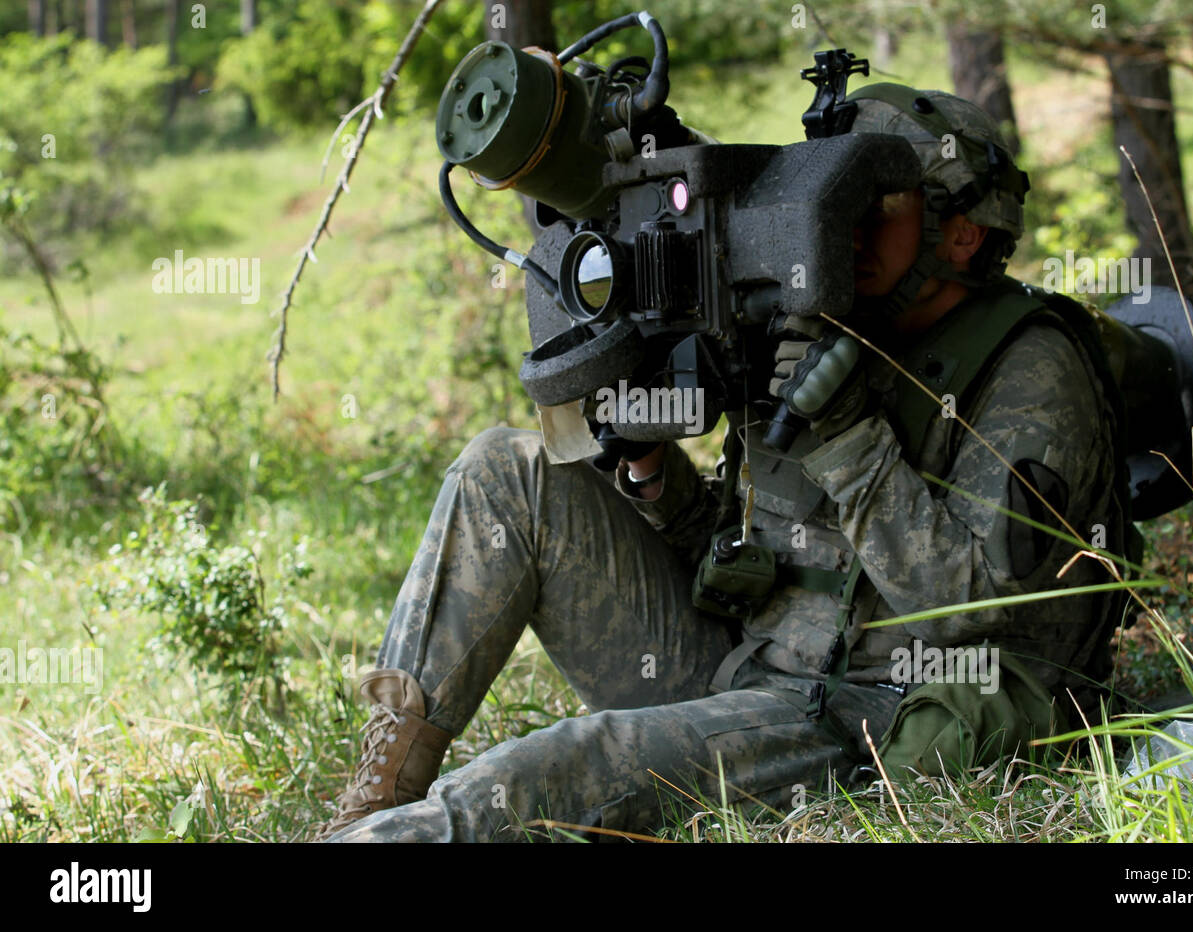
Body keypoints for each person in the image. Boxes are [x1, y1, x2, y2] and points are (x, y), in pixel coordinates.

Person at [318, 83, 1128, 842]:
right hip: (741, 669)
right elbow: (746, 549)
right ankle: (376, 796)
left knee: (557, 769)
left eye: (869, 207)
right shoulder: (823, 324)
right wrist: (652, 476)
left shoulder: (1031, 365)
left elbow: (974, 614)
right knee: (505, 467)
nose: (835, 228)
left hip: (862, 718)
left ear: (961, 232)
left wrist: (847, 438)